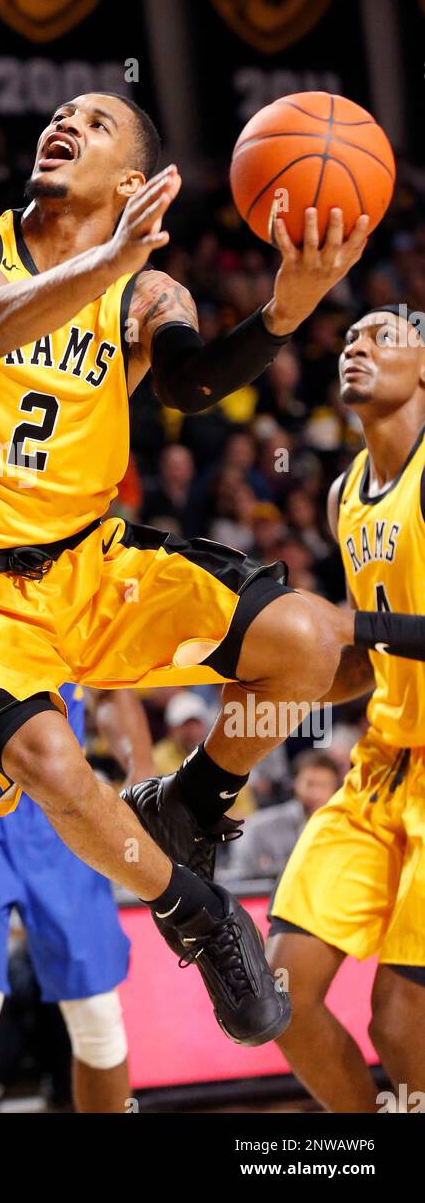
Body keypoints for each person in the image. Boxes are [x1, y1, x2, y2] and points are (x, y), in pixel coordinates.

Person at [0, 90, 373, 1046]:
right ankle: (199, 915)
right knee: (48, 759)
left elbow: (191, 382)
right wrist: (105, 260)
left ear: (130, 182)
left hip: (90, 563)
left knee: (314, 643)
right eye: (60, 112)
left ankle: (191, 800)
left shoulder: (146, 290)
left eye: (97, 120)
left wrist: (286, 311)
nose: (64, 122)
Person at [269, 306, 425, 1111]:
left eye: (381, 336)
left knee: (400, 1026)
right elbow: (365, 661)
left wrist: (352, 622)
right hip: (377, 768)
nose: (356, 347)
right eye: (348, 339)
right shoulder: (342, 495)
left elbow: (366, 624)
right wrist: (281, 676)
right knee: (277, 998)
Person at [0, 686, 131, 1113]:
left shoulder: (69, 617)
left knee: (97, 1011)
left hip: (58, 800)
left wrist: (140, 767)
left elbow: (108, 694)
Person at [231, 751, 340, 882]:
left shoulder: (344, 829)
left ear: (336, 790)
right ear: (295, 783)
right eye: (309, 784)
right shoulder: (259, 827)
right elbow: (244, 878)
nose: (316, 793)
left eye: (323, 785)